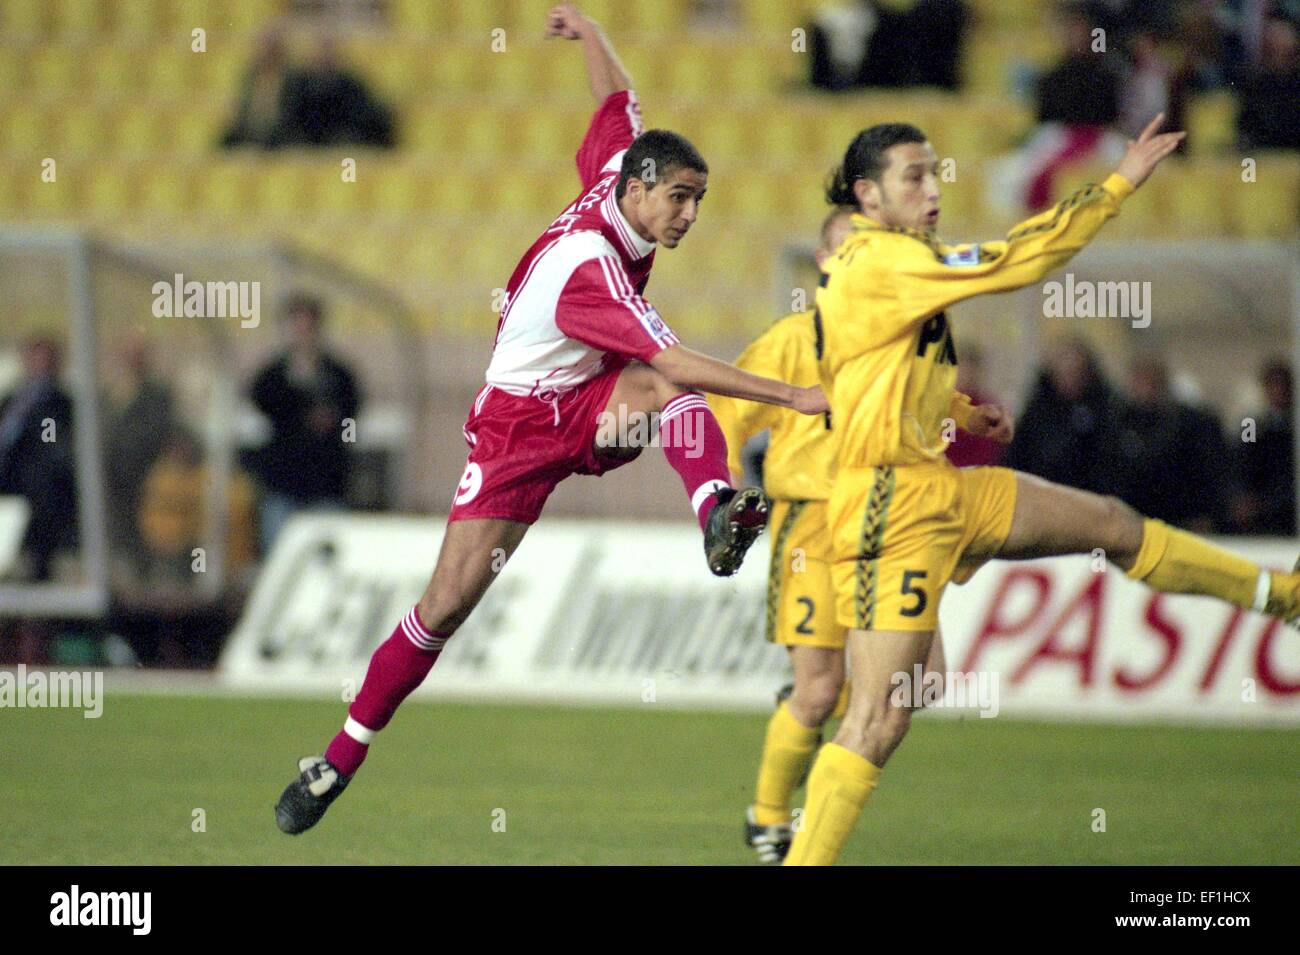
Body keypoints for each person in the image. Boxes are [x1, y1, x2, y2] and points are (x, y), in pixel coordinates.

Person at [274, 3, 827, 836]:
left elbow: (619, 104)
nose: (688, 215)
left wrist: (592, 32)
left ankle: (716, 510)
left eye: (699, 200)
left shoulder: (619, 176)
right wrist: (789, 396)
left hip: (590, 398)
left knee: (654, 391)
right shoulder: (590, 270)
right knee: (445, 607)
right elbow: (680, 361)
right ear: (641, 189)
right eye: (679, 197)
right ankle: (338, 756)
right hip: (516, 428)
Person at [785, 114, 1300, 866]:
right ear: (868, 193)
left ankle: (1281, 593)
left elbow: (874, 373)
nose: (934, 189)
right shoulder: (878, 260)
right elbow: (1017, 259)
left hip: (942, 488)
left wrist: (961, 410)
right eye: (914, 177)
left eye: (935, 171)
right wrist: (1117, 184)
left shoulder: (898, 261)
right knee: (878, 718)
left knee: (1114, 523)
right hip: (889, 514)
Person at [712, 207, 957, 863]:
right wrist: (724, 485)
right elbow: (722, 413)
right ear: (824, 261)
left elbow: (925, 402)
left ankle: (803, 726)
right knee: (824, 690)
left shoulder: (897, 336)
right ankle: (768, 818)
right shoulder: (794, 339)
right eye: (848, 249)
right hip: (813, 522)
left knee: (920, 685)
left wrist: (968, 413)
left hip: (894, 516)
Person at [248, 293, 361, 554]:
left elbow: (351, 412)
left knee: (327, 554)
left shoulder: (338, 375)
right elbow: (264, 402)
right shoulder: (274, 374)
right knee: (280, 552)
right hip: (285, 482)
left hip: (325, 483)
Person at [1002, 337, 1122, 494]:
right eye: (1064, 373)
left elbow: (1110, 462)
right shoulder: (1037, 412)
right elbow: (1017, 458)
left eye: (1076, 373)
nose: (1069, 379)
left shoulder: (1104, 411)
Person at [0, 337, 77, 581]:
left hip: (39, 496)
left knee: (35, 562)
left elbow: (52, 441)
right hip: (9, 490)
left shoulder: (57, 403)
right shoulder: (12, 398)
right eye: (36, 357)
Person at [1232, 358, 1296, 535]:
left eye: (1283, 386)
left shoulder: (1293, 427)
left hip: (1285, 508)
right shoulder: (1252, 424)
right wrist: (1244, 496)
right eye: (1273, 385)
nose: (1278, 391)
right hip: (1259, 511)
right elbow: (1243, 459)